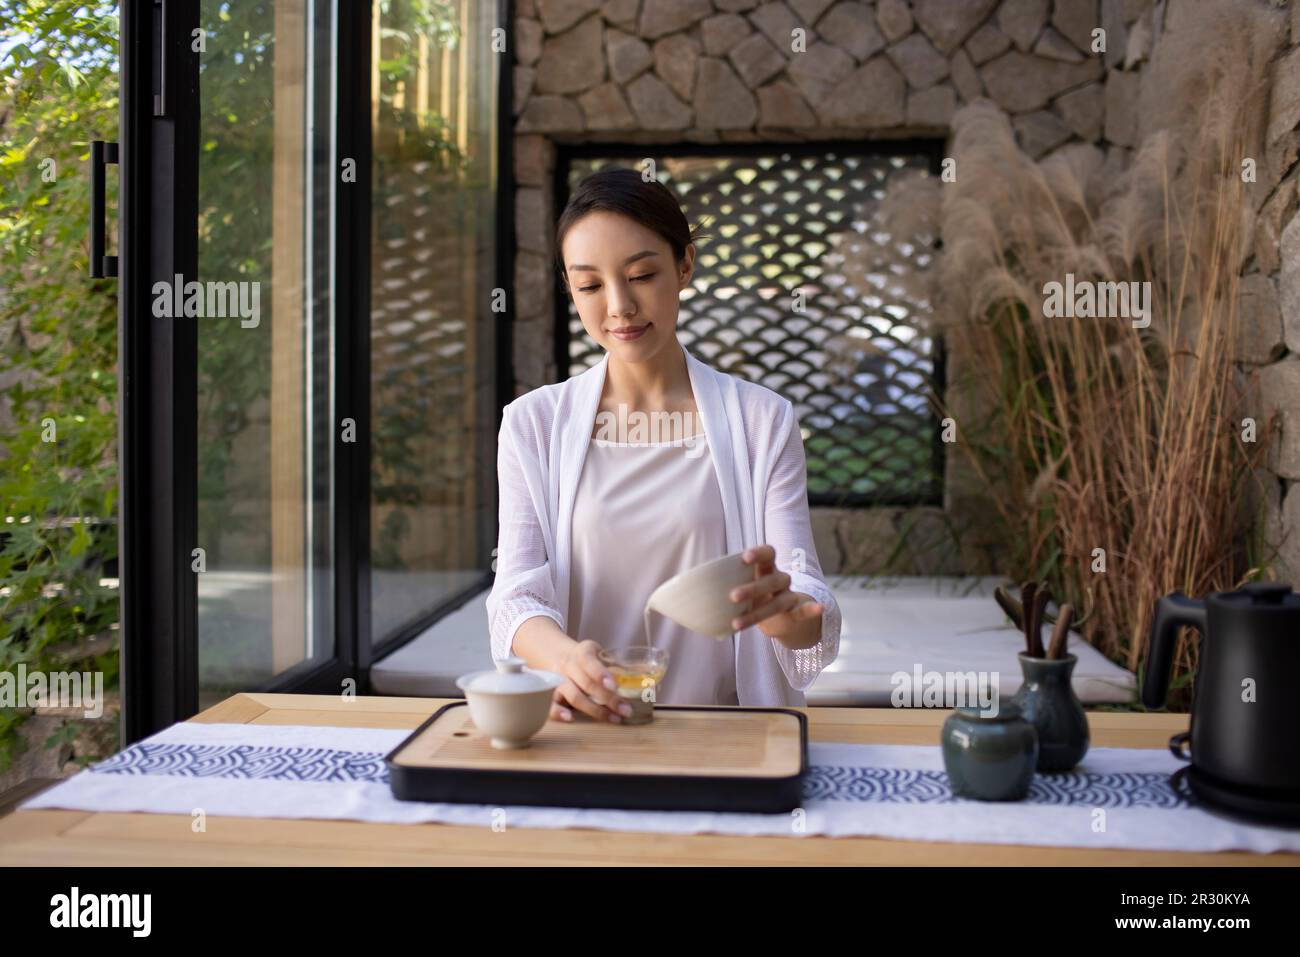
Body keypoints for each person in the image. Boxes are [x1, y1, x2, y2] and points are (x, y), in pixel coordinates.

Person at [486, 167, 841, 723]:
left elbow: (805, 596)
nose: (620, 306)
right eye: (590, 285)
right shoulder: (534, 424)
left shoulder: (761, 421)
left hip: (725, 733)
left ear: (684, 266)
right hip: (589, 727)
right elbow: (515, 595)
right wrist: (566, 658)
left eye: (642, 274)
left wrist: (781, 612)